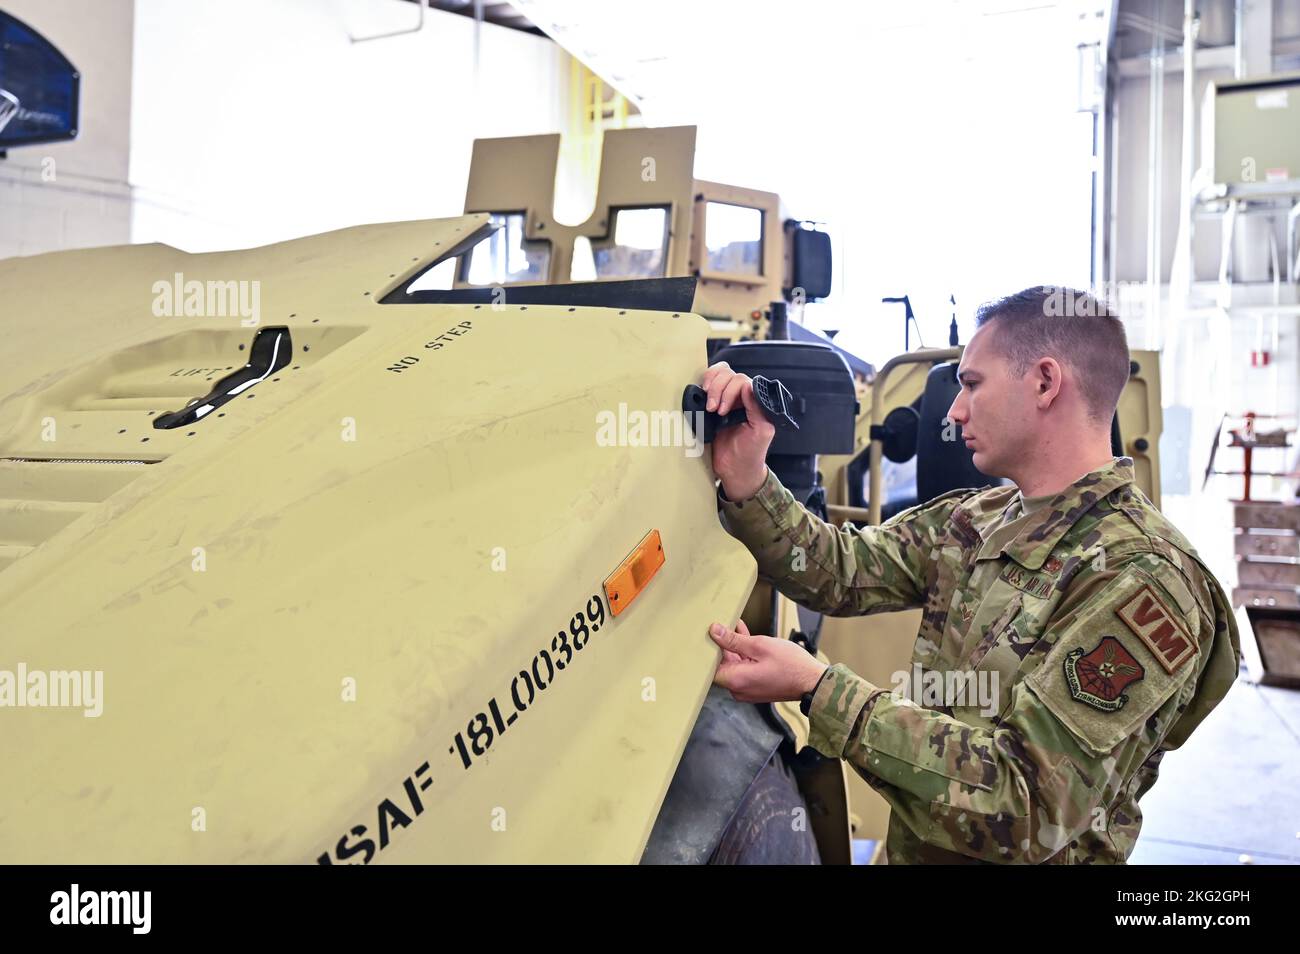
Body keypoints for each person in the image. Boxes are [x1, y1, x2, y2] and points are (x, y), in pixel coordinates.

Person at [701, 286, 1240, 864]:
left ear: (1045, 382)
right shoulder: (977, 519)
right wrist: (749, 474)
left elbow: (1029, 803)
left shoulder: (1144, 577)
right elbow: (836, 571)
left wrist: (817, 688)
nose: (955, 411)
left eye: (972, 383)